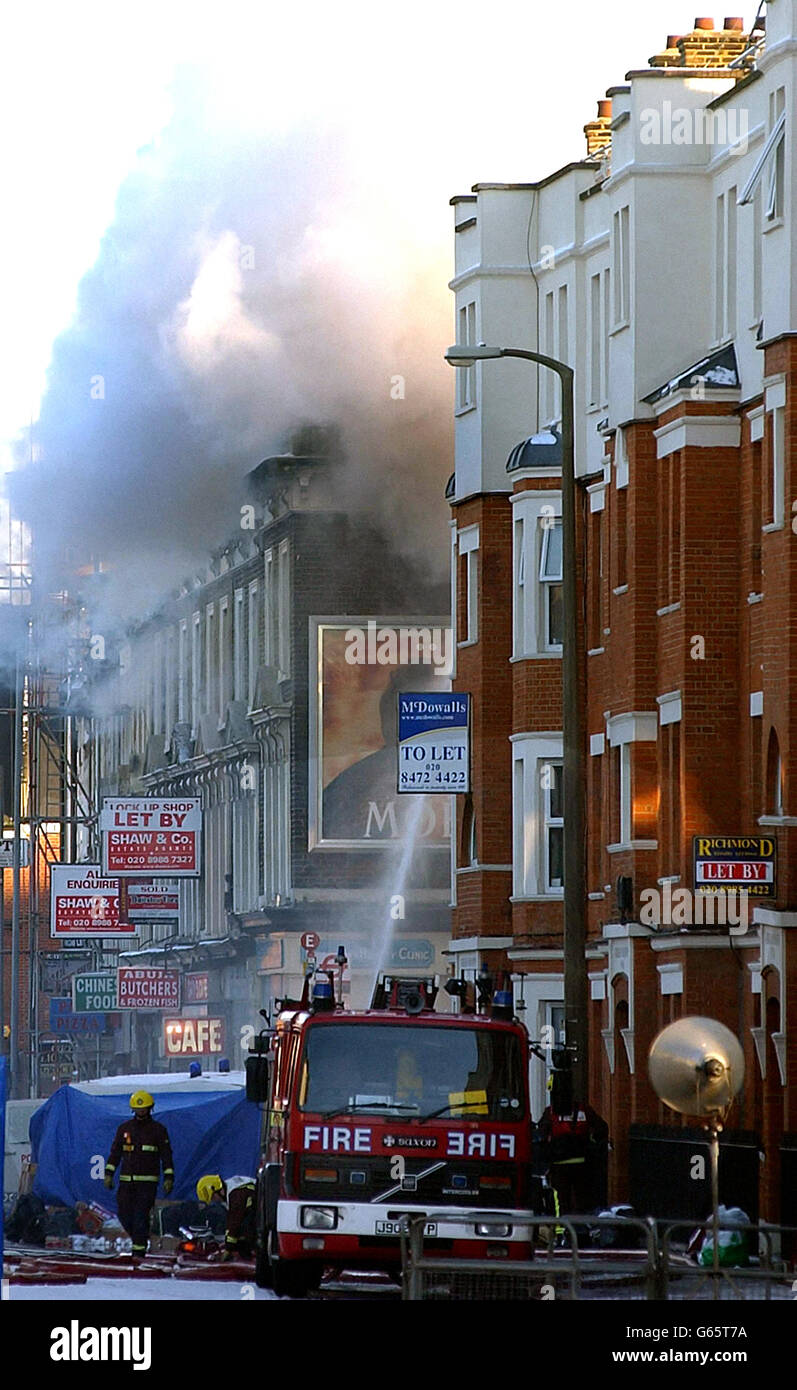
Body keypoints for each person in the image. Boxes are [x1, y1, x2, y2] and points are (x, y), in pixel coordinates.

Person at [104, 1090, 175, 1258]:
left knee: (140, 1216)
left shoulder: (158, 1130)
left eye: (144, 1108)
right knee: (124, 1214)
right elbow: (115, 1154)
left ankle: (139, 1251)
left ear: (150, 1108)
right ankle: (140, 1239)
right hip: (126, 1182)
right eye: (137, 1108)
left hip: (147, 1183)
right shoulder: (124, 1129)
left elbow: (166, 1155)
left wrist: (169, 1177)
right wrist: (108, 1174)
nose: (141, 1111)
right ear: (132, 1109)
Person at [537, 1065, 608, 1217]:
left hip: (559, 1167)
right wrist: (593, 1145)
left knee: (561, 1202)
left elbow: (541, 1135)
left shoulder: (550, 1113)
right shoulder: (583, 1109)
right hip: (581, 1165)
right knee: (582, 1201)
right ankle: (580, 1228)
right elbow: (602, 1128)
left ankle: (562, 1230)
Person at [196, 1174, 256, 1260]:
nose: (215, 1200)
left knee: (242, 1239)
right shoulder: (233, 1189)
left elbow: (235, 1220)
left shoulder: (236, 1193)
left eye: (213, 1197)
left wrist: (228, 1248)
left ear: (218, 1190)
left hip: (263, 1220)